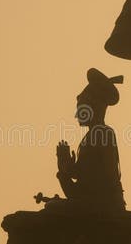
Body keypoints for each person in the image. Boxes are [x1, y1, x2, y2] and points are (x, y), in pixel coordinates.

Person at [53, 68, 126, 213]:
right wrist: (66, 168)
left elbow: (101, 180)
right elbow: (81, 184)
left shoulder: (103, 134)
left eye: (81, 109)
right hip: (92, 203)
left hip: (102, 206)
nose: (77, 114)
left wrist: (68, 171)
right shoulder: (92, 137)